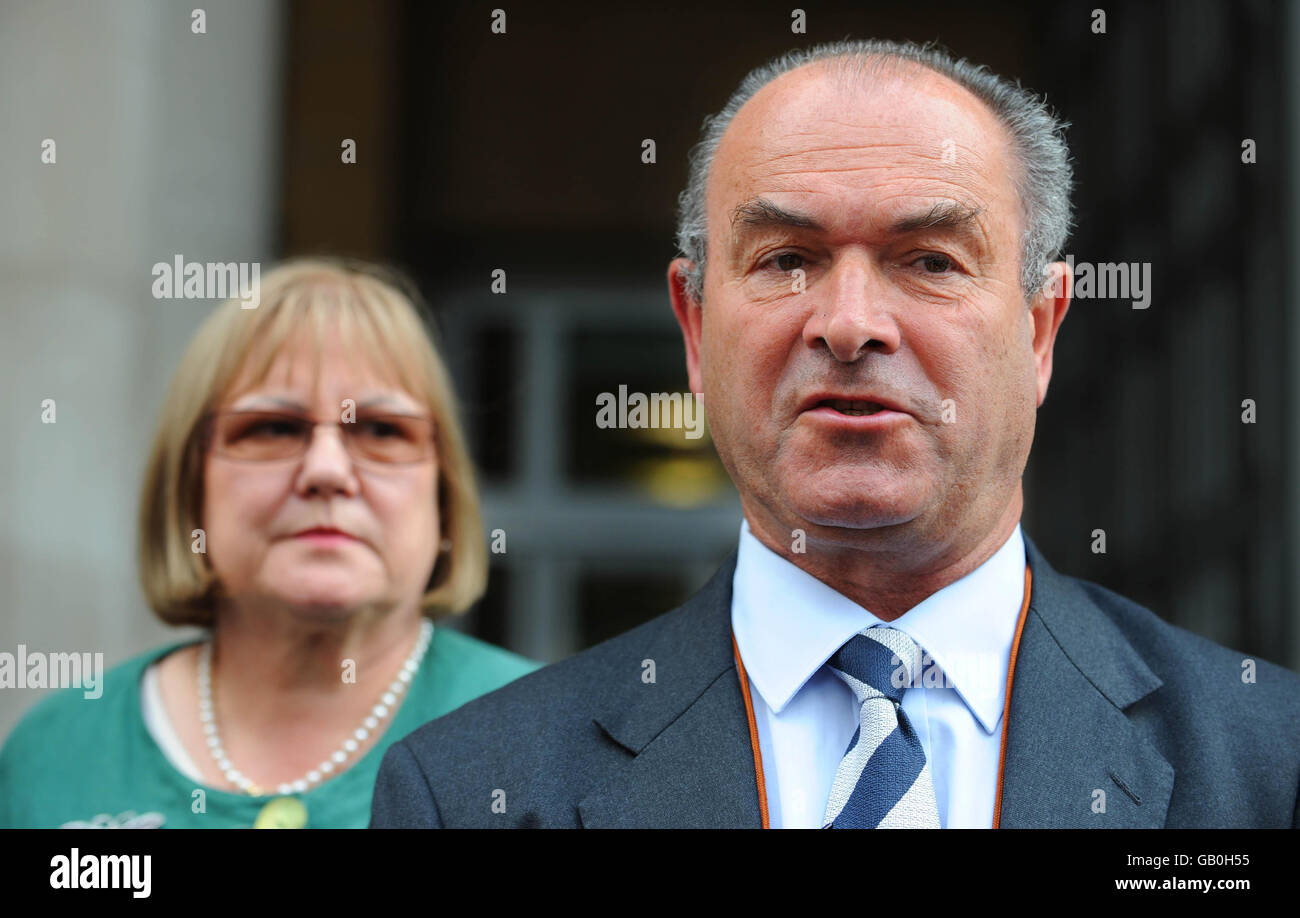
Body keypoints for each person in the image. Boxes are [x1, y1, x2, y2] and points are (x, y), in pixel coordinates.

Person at [369, 39, 1300, 829]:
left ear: (1040, 330)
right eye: (787, 260)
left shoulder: (1267, 764)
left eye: (929, 260)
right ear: (694, 329)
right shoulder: (473, 791)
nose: (849, 323)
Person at [0, 257, 539, 828]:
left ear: (444, 491)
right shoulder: (57, 752)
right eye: (273, 428)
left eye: (382, 430)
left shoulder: (546, 733)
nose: (327, 470)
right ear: (189, 484)